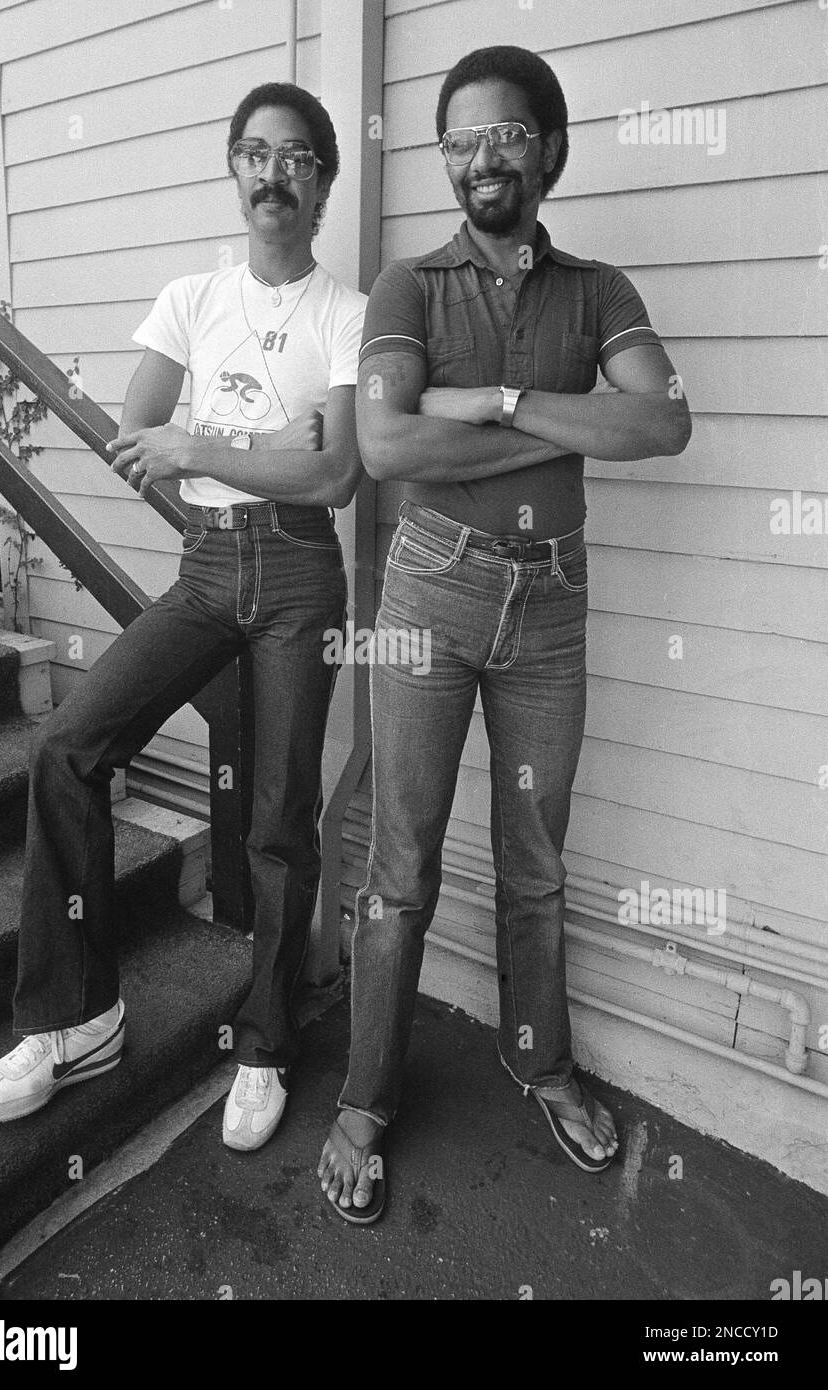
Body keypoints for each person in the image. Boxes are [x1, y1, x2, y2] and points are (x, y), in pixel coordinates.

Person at [318, 45, 691, 1223]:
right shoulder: (405, 287)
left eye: (507, 135)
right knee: (400, 860)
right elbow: (384, 450)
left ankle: (537, 1060)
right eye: (460, 141)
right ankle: (365, 1097)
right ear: (443, 160)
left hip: (551, 600)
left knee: (534, 861)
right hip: (429, 590)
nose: (482, 158)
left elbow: (664, 423)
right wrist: (575, 424)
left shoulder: (597, 290)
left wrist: (497, 402)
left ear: (549, 149)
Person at [0, 83, 366, 1155]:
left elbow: (329, 473)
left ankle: (268, 1041)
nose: (269, 172)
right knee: (68, 745)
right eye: (251, 153)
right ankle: (75, 1017)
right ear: (233, 172)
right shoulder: (192, 295)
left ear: (321, 179)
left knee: (278, 816)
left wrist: (208, 446)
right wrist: (253, 440)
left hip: (295, 572)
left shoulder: (348, 314)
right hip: (204, 566)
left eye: (292, 156)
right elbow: (137, 430)